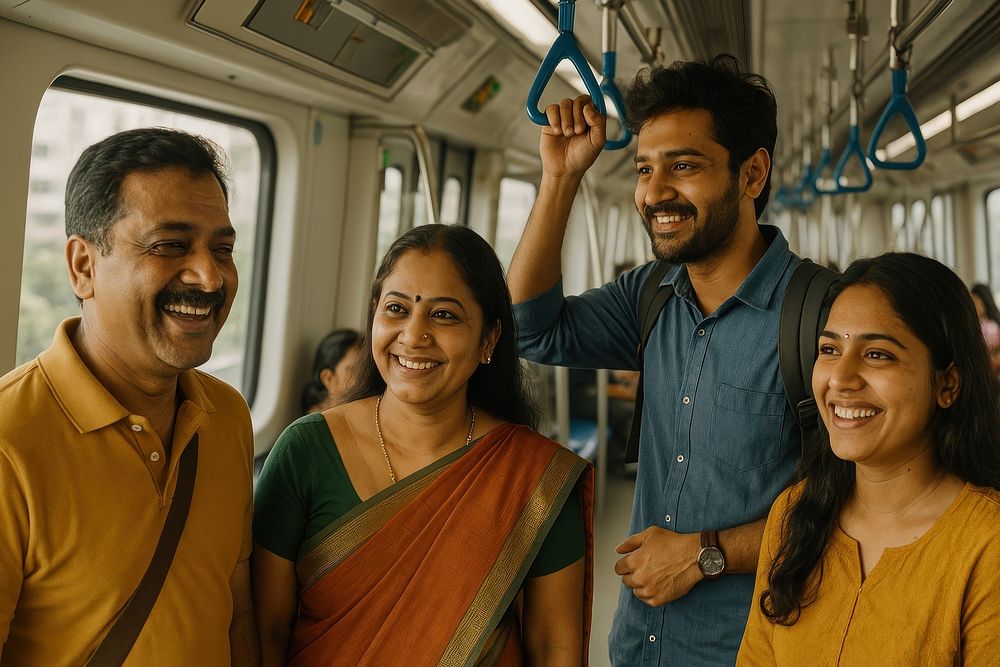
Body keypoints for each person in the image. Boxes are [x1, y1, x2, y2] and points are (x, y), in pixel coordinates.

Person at [509, 54, 801, 664]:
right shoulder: (648, 294)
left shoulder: (818, 318)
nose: (655, 192)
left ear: (752, 174)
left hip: (755, 647)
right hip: (641, 643)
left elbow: (860, 504)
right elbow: (529, 329)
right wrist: (561, 177)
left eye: (684, 166)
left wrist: (705, 552)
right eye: (645, 169)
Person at [252, 223, 594, 666]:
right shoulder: (306, 450)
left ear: (489, 338)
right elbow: (265, 628)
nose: (413, 336)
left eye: (444, 315)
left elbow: (554, 645)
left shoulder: (533, 478)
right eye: (396, 309)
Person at [0, 128, 258, 663]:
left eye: (223, 249)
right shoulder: (10, 443)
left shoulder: (227, 414)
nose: (209, 278)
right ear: (83, 266)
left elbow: (235, 606)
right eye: (169, 245)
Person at [738, 253, 1000, 664]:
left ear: (947, 383)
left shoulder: (986, 545)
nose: (841, 378)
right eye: (829, 349)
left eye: (877, 354)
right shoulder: (794, 515)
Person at [300, 328, 362, 413]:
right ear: (328, 378)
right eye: (354, 370)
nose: (363, 376)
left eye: (364, 369)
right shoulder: (316, 422)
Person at [970, 283, 1000, 381]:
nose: (973, 306)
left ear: (984, 301)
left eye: (976, 302)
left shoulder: (991, 326)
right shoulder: (976, 324)